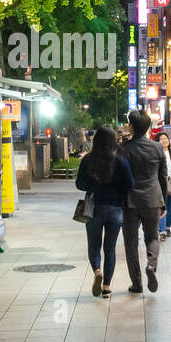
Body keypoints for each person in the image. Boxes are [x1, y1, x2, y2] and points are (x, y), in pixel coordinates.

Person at [76, 125, 135, 299]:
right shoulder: (121, 160)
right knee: (110, 249)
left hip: (93, 208)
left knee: (94, 246)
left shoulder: (88, 160)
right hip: (115, 209)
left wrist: (93, 186)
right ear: (113, 140)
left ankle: (97, 270)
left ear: (96, 140)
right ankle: (107, 287)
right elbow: (130, 184)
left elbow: (79, 184)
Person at [119, 109, 168, 293]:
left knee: (130, 242)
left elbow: (119, 176)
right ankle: (151, 266)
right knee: (152, 237)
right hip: (152, 199)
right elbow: (163, 177)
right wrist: (162, 201)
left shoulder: (123, 149)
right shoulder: (157, 148)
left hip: (129, 202)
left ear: (131, 127)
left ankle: (137, 283)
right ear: (148, 126)